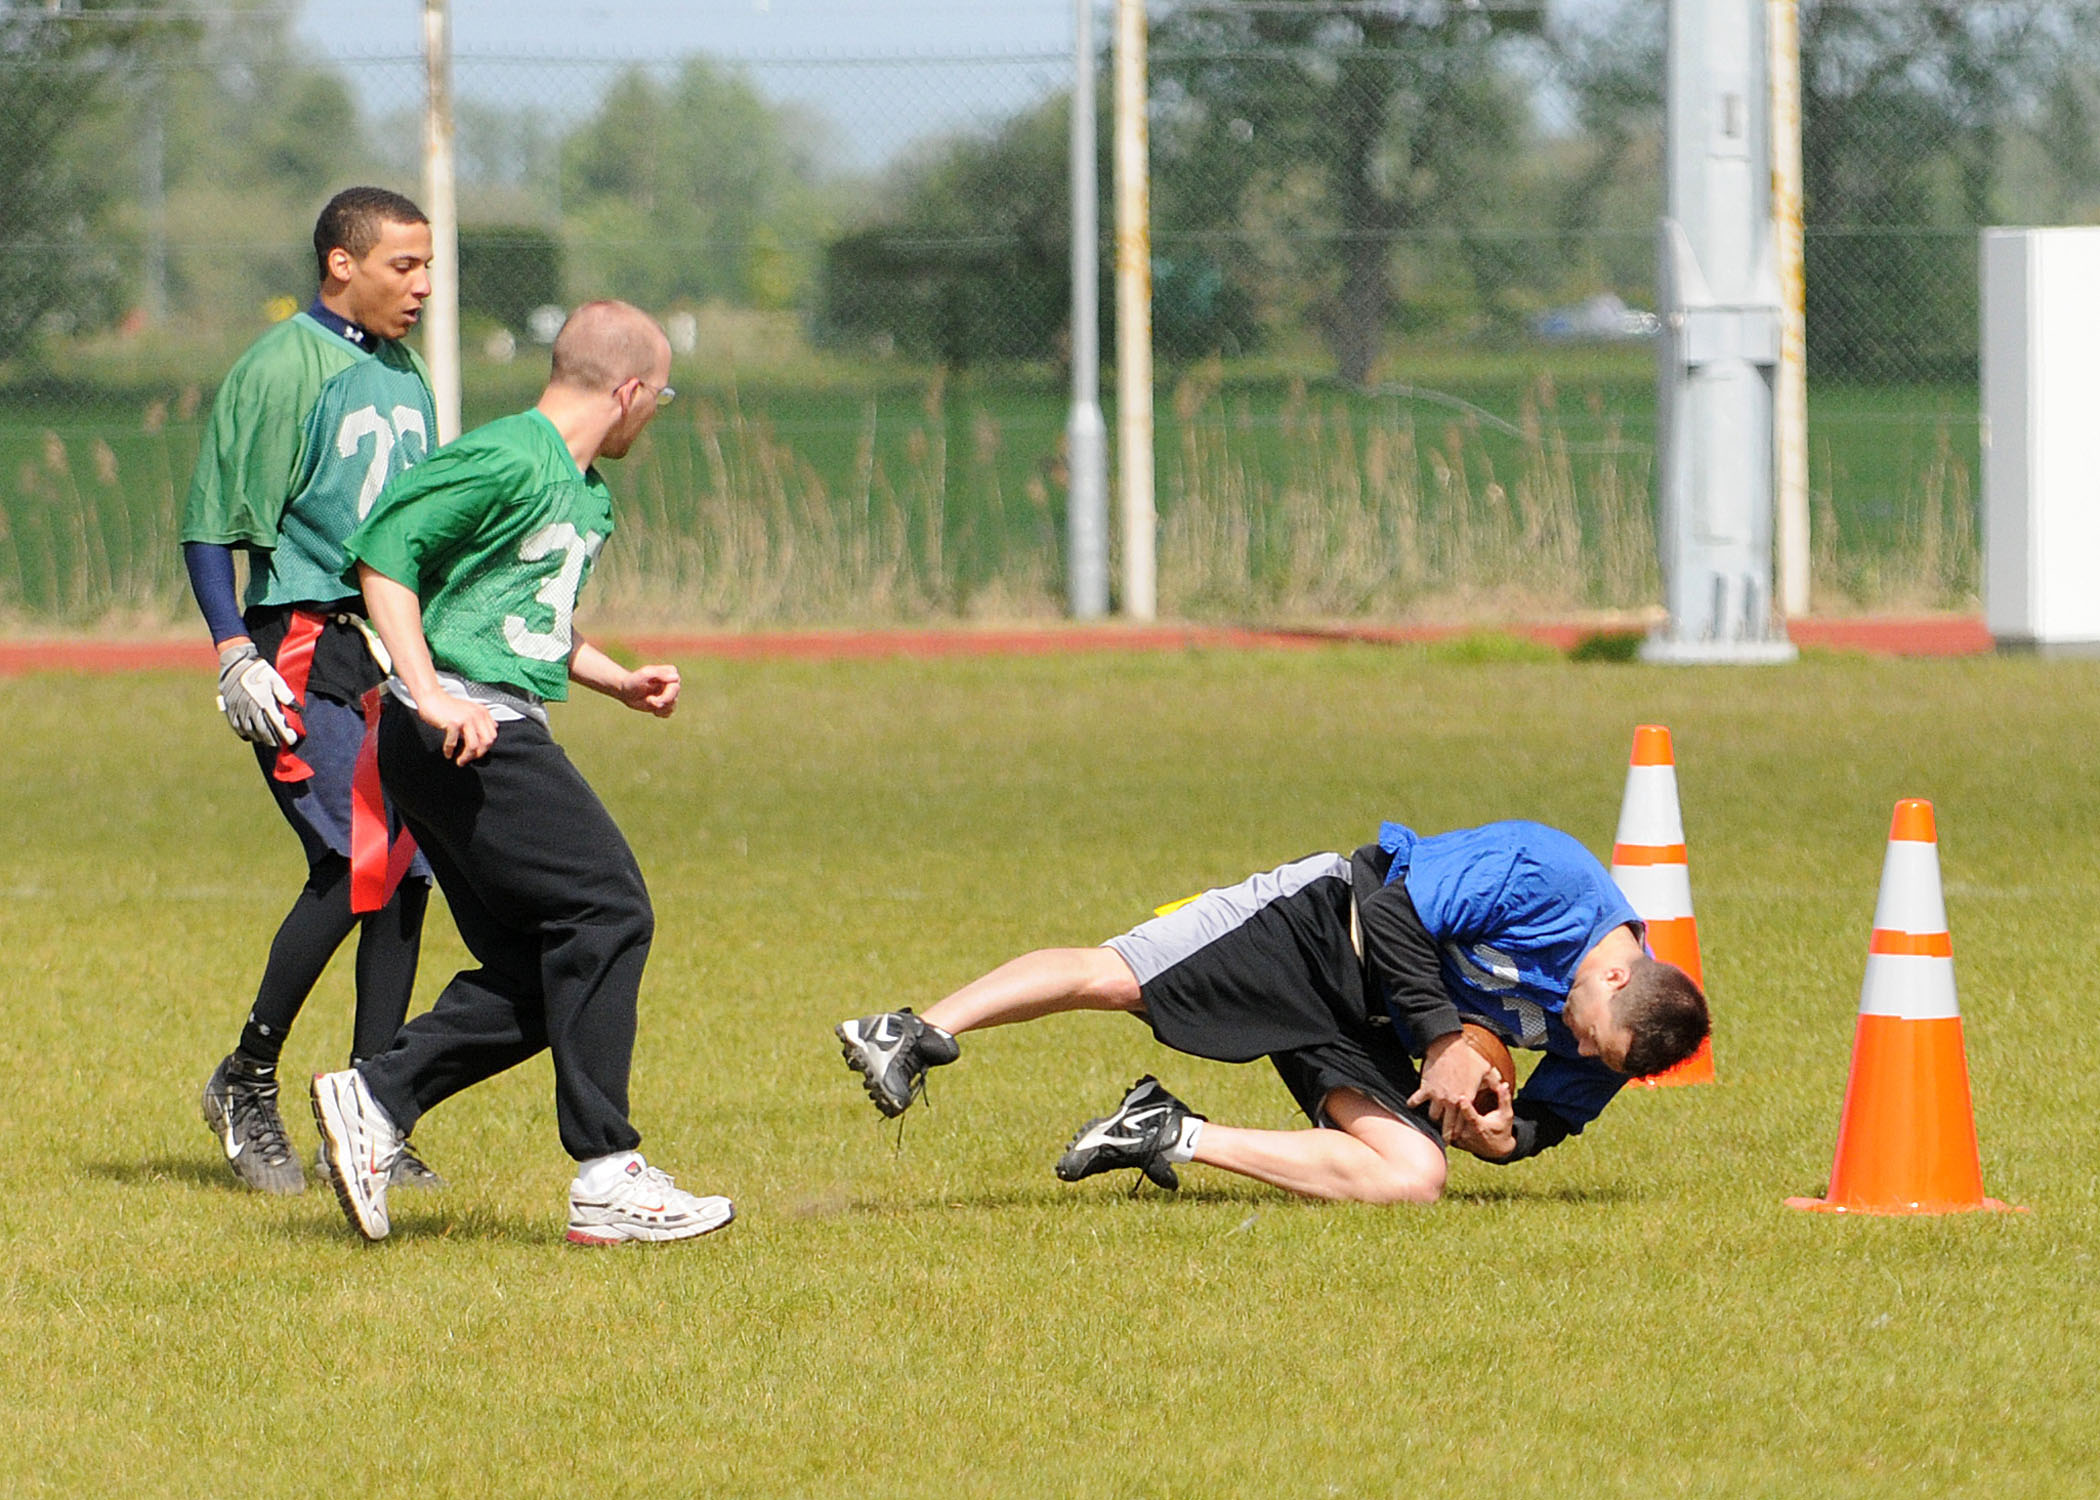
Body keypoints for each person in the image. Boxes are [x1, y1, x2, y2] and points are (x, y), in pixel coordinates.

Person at [309, 299, 734, 1247]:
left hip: (481, 718)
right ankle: (609, 1174)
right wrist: (427, 693)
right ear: (627, 390)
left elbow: (519, 610)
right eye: (657, 397)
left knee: (540, 971)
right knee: (609, 909)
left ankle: (375, 1099)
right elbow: (384, 560)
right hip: (463, 725)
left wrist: (617, 678)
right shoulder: (507, 455)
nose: (654, 414)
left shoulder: (585, 492)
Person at [836, 819, 1709, 1205]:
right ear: (1614, 976)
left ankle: (1166, 1131)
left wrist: (1503, 1140)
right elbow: (1398, 911)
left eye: (1595, 1054)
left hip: (1372, 1026)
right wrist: (1444, 1041)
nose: (1575, 1043)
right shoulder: (1547, 873)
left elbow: (1551, 1119)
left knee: (1416, 1176)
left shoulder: (1619, 1044)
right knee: (1118, 979)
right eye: (1585, 1030)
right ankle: (916, 1030)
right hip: (1324, 928)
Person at [179, 186, 444, 1196]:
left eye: (426, 267)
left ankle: (369, 1114)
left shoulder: (401, 369)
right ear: (341, 263)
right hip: (298, 639)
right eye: (401, 267)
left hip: (385, 647)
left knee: (407, 871)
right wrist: (229, 650)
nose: (419, 287)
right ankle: (245, 1080)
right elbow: (211, 519)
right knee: (352, 858)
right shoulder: (284, 364)